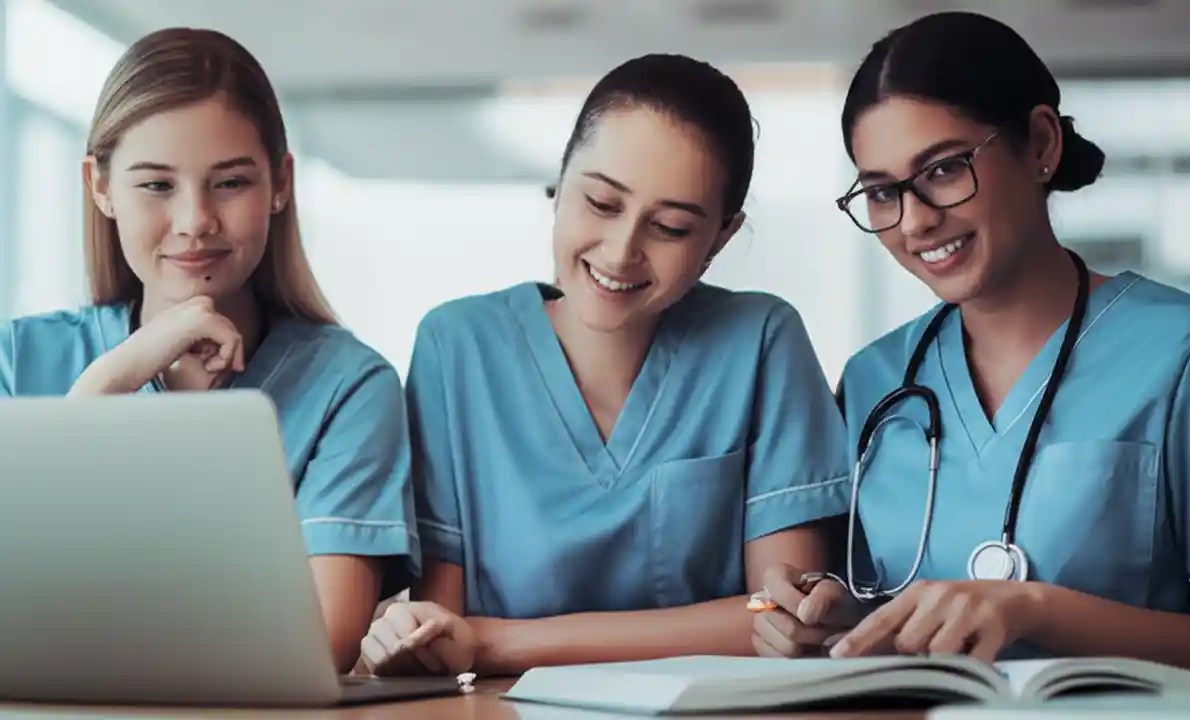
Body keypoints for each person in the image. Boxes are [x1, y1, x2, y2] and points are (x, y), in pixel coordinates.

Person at [753, 11, 1190, 679]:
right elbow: (864, 607)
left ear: (1039, 145)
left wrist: (1036, 610)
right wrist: (820, 622)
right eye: (883, 192)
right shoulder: (873, 382)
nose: (915, 221)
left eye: (943, 170)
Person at [360, 54, 849, 677]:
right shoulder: (457, 347)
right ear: (560, 183)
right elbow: (440, 633)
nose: (621, 253)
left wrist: (499, 643)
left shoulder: (760, 341)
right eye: (600, 202)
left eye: (671, 227)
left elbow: (775, 617)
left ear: (720, 239)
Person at [0, 28, 417, 673]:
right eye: (157, 186)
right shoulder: (17, 358)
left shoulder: (350, 387)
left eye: (229, 183)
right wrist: (109, 382)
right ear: (100, 186)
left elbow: (320, 641)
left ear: (279, 183)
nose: (195, 220)